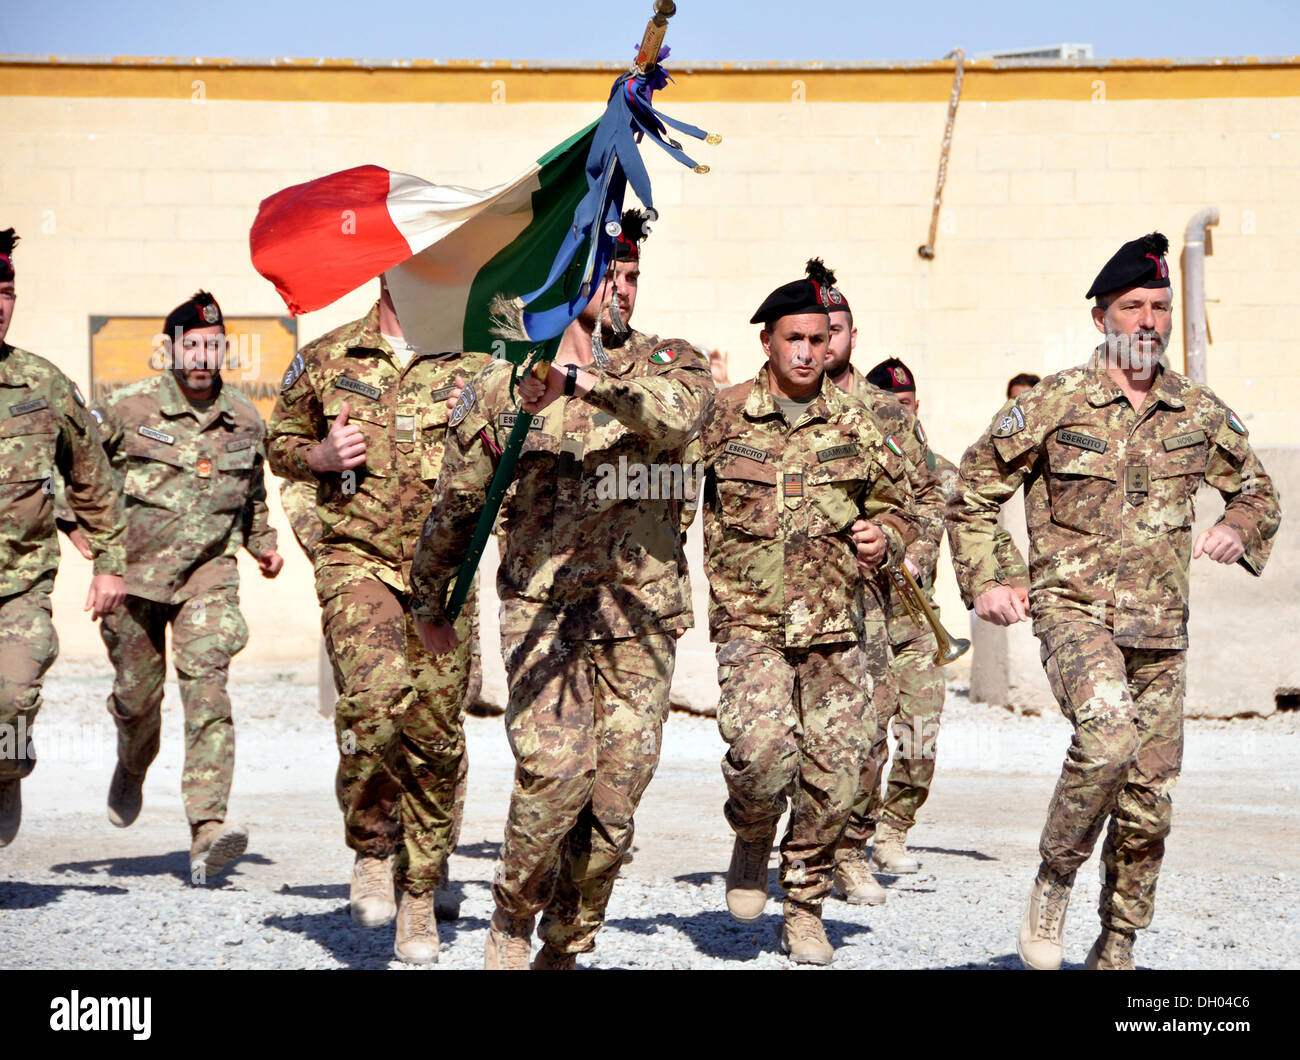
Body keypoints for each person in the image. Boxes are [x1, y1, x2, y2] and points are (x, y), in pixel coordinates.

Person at [948, 232, 1281, 970]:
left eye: (1160, 306)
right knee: (1106, 739)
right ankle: (1055, 875)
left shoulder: (1196, 410)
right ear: (1101, 318)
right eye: (1133, 307)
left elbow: (1258, 490)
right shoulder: (1053, 403)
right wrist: (992, 579)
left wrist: (1236, 526)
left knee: (1147, 804)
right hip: (1075, 613)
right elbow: (972, 494)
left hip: (1161, 630)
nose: (1149, 321)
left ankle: (1118, 943)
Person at [411, 210, 714, 970]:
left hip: (639, 616)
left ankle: (567, 944)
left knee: (614, 805)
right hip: (543, 611)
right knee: (553, 775)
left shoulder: (668, 362)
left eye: (633, 275)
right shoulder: (504, 381)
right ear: (571, 280)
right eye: (609, 274)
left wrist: (577, 381)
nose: (624, 289)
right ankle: (513, 915)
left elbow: (678, 418)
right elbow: (461, 499)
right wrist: (430, 599)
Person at [268, 279, 491, 964]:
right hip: (356, 559)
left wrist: (487, 425)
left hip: (442, 572)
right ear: (388, 270)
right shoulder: (328, 355)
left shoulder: (476, 361)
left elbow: (517, 453)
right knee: (373, 703)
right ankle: (372, 846)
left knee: (435, 732)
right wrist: (318, 457)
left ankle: (420, 887)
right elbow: (279, 443)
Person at [700, 270, 918, 965]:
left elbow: (903, 504)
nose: (806, 352)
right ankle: (752, 828)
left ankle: (804, 904)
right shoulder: (721, 416)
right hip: (751, 622)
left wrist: (887, 537)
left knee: (837, 772)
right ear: (767, 341)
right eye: (793, 338)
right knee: (762, 756)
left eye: (818, 340)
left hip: (836, 624)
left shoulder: (863, 420)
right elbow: (666, 496)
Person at [94, 291, 282, 880]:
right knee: (137, 700)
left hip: (209, 576)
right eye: (192, 345)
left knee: (208, 691)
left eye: (213, 345)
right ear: (171, 349)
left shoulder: (244, 417)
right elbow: (80, 477)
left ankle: (207, 828)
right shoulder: (125, 408)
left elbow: (252, 495)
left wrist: (263, 543)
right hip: (133, 580)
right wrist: (92, 550)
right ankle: (133, 763)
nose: (202, 356)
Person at [813, 259, 948, 901]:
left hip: (900, 612)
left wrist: (909, 546)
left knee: (906, 731)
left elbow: (929, 497)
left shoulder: (882, 414)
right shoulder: (788, 405)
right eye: (815, 330)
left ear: (850, 334)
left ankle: (875, 836)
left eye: (835, 329)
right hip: (826, 604)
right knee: (834, 739)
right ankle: (818, 843)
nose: (824, 343)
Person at [0, 228, 127, 846]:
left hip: (18, 584)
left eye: (6, 292)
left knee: (11, 700)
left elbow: (92, 477)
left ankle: (6, 772)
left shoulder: (42, 384)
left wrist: (110, 562)